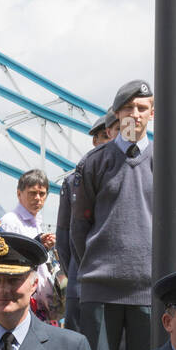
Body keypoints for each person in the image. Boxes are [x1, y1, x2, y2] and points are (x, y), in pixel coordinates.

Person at [71, 81, 156, 350]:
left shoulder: (168, 162)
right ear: (117, 114)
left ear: (152, 112)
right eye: (128, 108)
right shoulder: (94, 162)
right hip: (100, 289)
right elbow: (79, 228)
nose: (135, 114)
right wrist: (96, 265)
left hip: (149, 289)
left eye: (142, 108)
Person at [57, 112, 117, 334]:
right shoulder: (73, 181)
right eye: (105, 134)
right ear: (95, 140)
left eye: (117, 133)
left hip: (123, 293)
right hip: (83, 286)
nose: (111, 140)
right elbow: (63, 241)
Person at [0, 170, 60, 324]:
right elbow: (8, 260)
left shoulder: (36, 221)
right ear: (19, 194)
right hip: (22, 300)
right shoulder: (10, 221)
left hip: (38, 303)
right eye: (32, 193)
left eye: (42, 193)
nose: (38, 198)